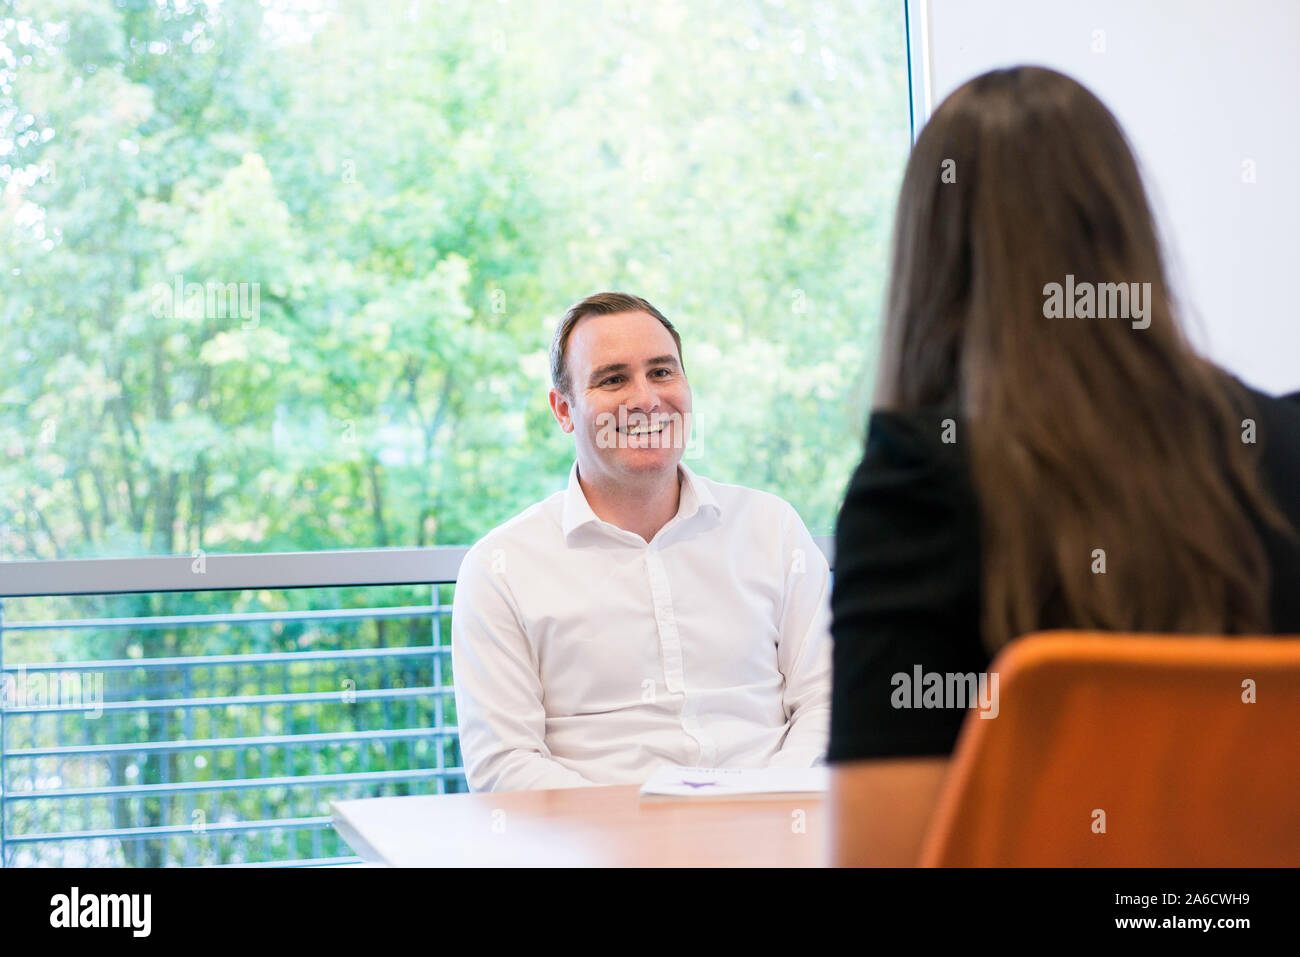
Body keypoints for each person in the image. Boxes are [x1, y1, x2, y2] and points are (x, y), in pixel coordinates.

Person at [827, 66, 1300, 865]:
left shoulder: (917, 484)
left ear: (929, 255)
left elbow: (883, 854)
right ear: (1127, 224)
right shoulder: (1284, 448)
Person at [452, 292, 831, 791]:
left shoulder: (773, 528)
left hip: (775, 836)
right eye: (613, 379)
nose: (646, 399)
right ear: (563, 410)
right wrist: (639, 840)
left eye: (662, 372)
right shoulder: (500, 569)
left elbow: (829, 703)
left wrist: (761, 806)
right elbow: (504, 765)